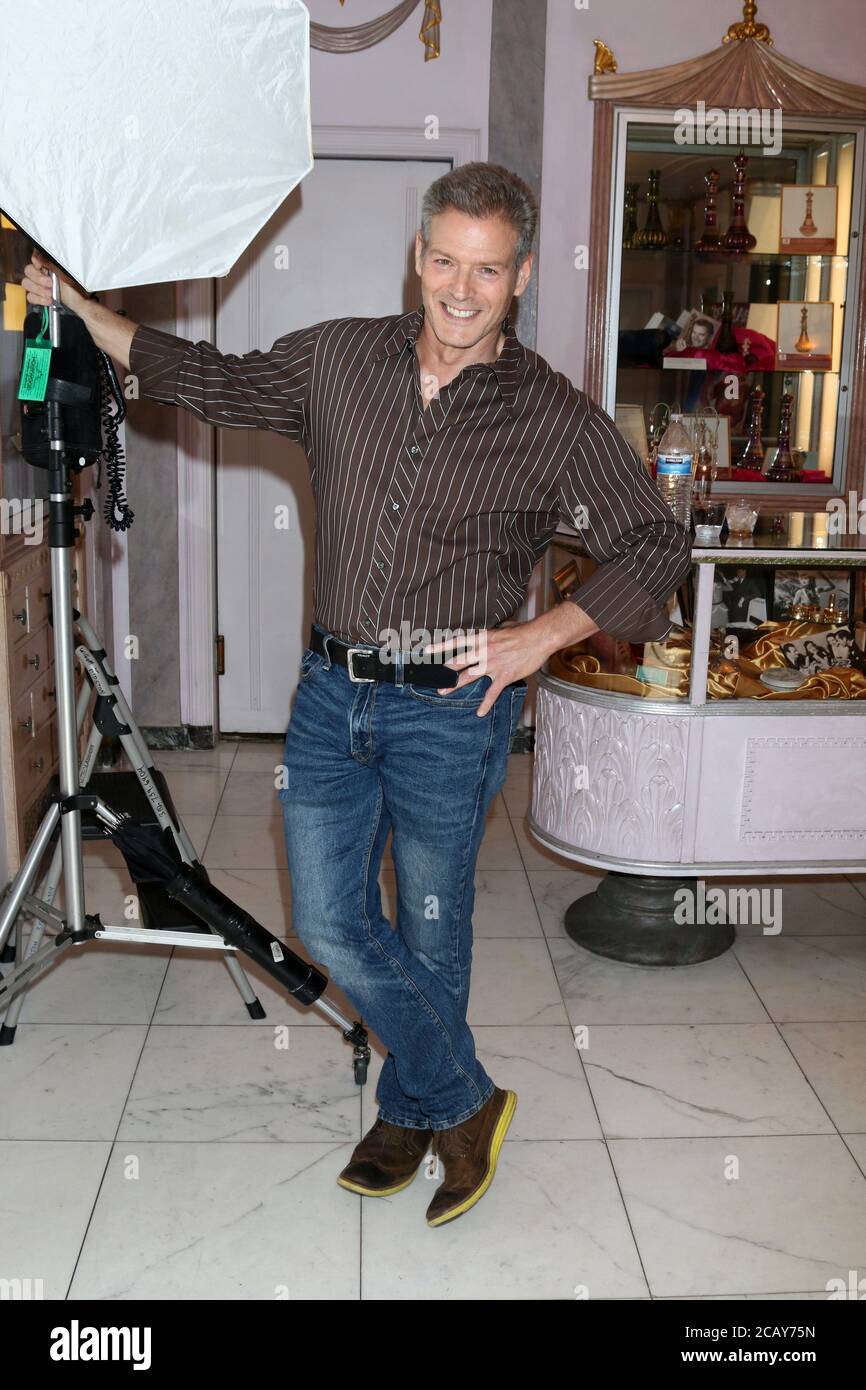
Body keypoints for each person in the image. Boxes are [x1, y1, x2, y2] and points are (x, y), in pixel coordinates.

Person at [22, 161, 692, 1228]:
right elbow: (212, 376)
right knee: (332, 923)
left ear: (519, 276)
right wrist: (79, 309)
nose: (459, 289)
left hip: (450, 712)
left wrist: (539, 637)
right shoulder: (338, 359)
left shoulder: (551, 415)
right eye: (442, 261)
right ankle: (463, 1097)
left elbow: (656, 542)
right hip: (330, 697)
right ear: (415, 259)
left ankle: (409, 1107)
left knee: (430, 929)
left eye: (485, 269)